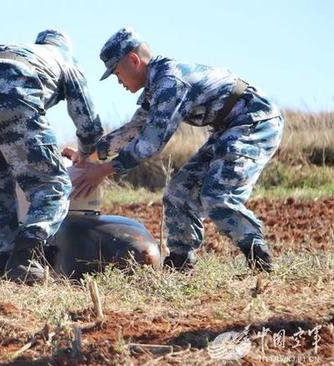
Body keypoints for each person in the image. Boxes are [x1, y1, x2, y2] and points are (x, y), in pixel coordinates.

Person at [67, 27, 284, 272]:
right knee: (179, 192)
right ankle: (181, 261)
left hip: (255, 122)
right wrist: (89, 154)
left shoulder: (171, 83)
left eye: (117, 73)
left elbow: (150, 142)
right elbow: (134, 129)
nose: (118, 82)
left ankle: (259, 258)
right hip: (228, 127)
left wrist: (105, 169)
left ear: (134, 60)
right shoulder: (157, 86)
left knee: (217, 195)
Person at [0, 30, 103, 282]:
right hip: (14, 85)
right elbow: (88, 122)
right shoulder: (65, 59)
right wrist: (85, 152)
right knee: (54, 185)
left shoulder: (29, 51)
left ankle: (0, 260)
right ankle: (26, 258)